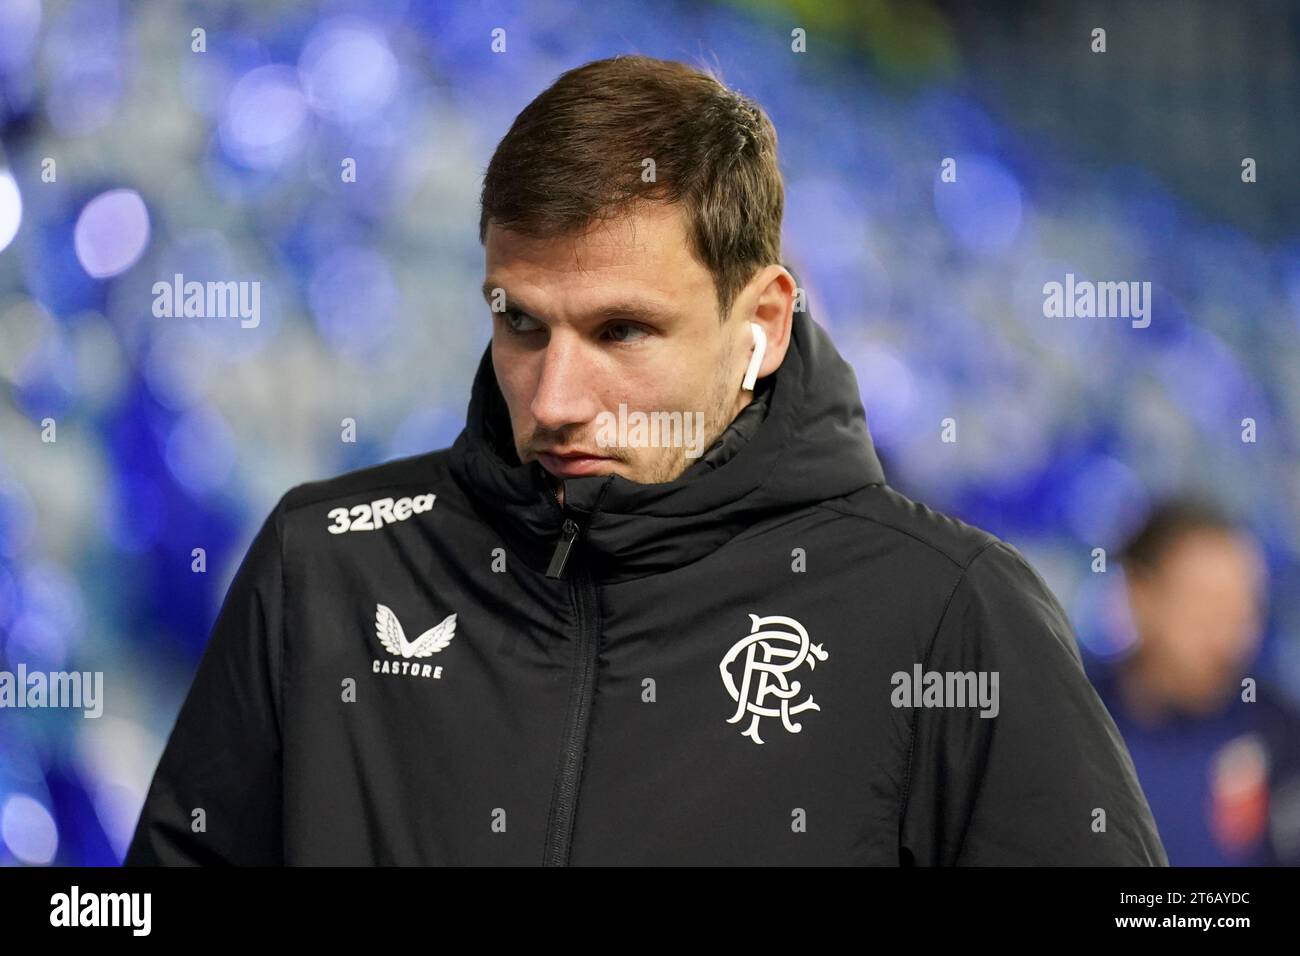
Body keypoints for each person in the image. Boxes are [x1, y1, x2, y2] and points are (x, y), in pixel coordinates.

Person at [125, 54, 1166, 866]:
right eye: (522, 323)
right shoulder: (325, 567)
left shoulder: (949, 614)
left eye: (622, 330)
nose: (556, 398)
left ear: (757, 320)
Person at [1091, 499, 1300, 865]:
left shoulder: (1276, 729)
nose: (1227, 638)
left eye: (1242, 610)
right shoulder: (1076, 722)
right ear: (1140, 596)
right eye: (1204, 606)